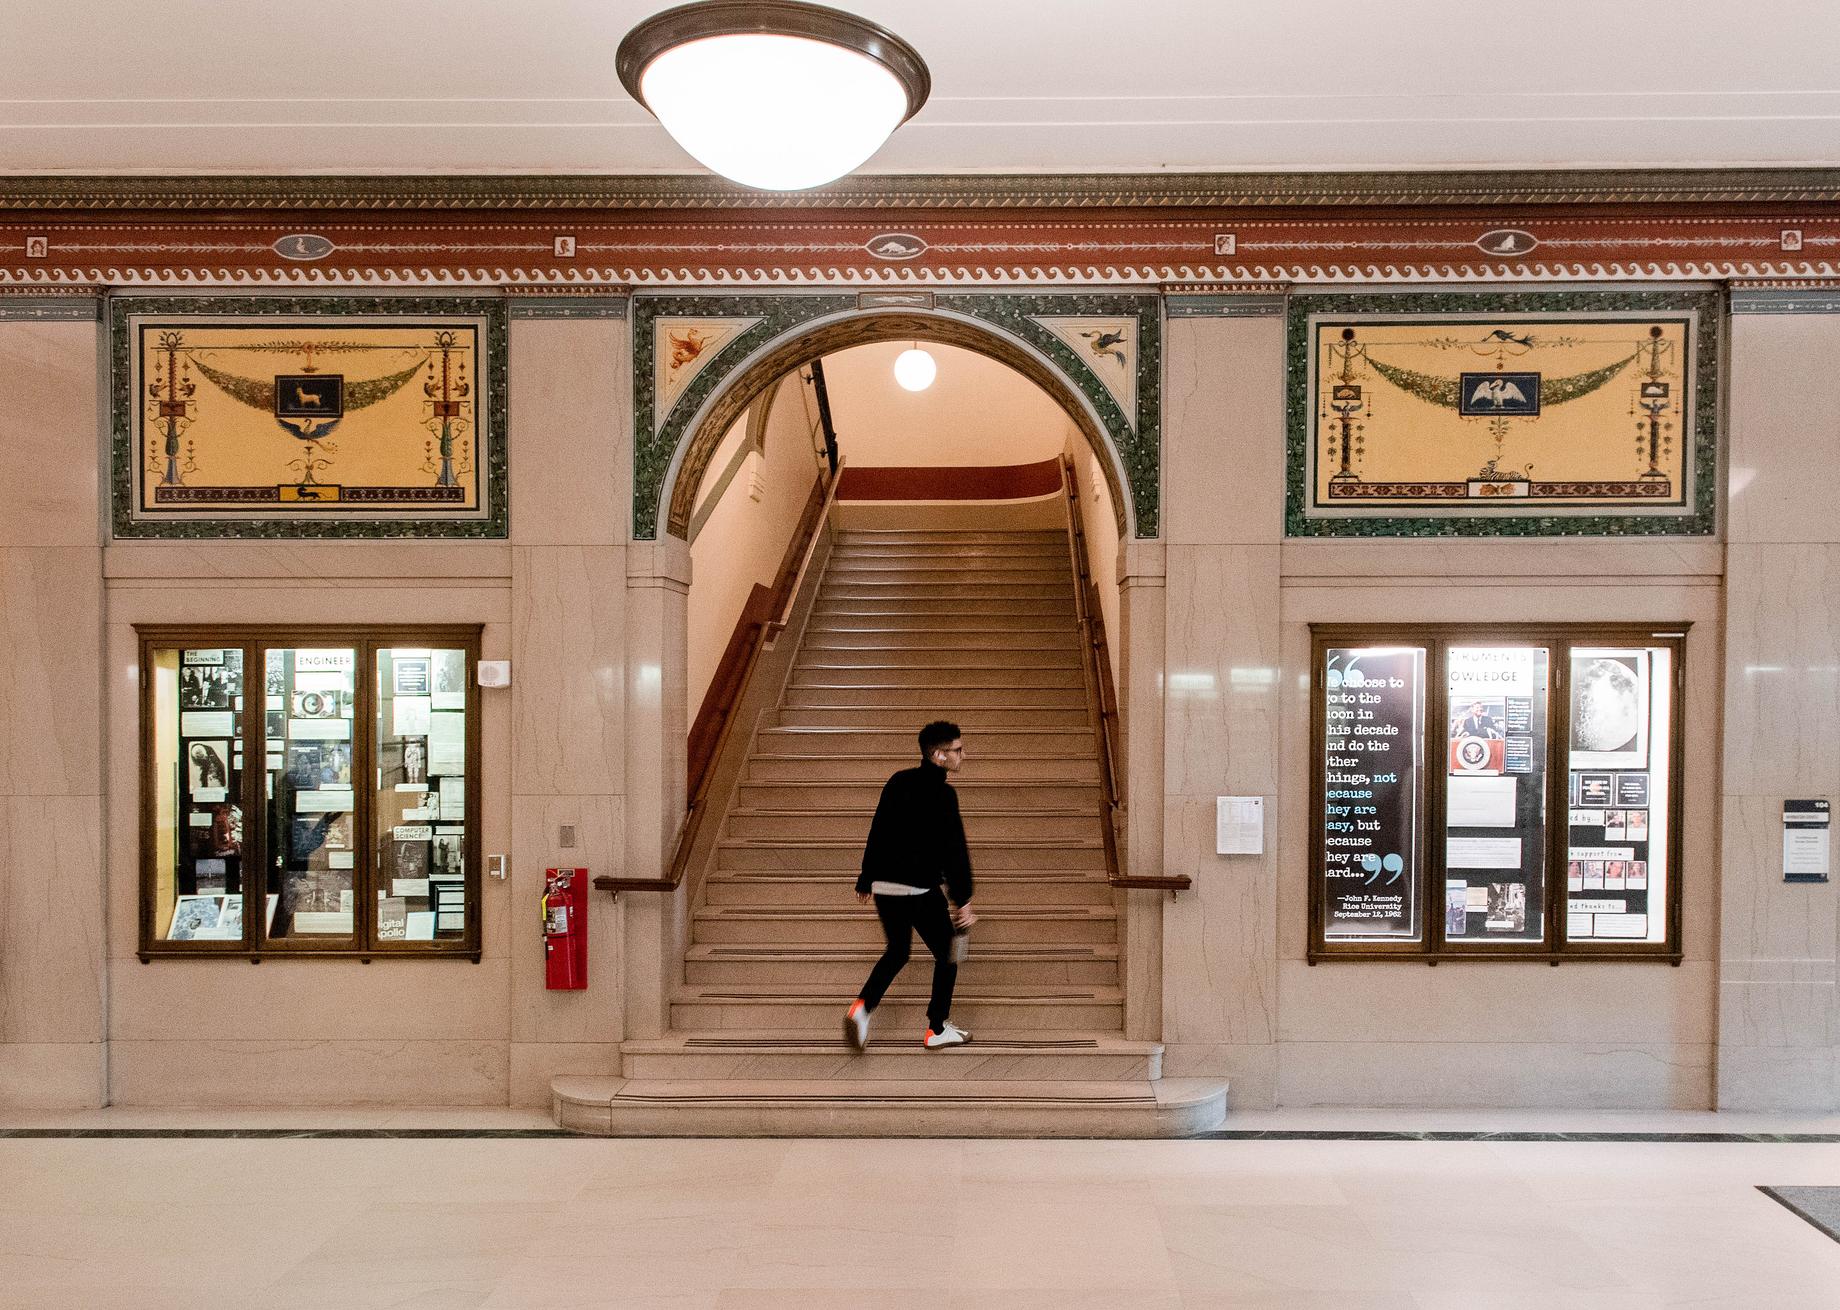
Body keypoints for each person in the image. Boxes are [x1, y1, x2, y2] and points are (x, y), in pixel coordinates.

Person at [843, 720, 977, 1051]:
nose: (964, 755)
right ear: (939, 755)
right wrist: (962, 900)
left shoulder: (897, 781)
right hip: (919, 890)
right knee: (949, 955)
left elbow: (878, 829)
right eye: (957, 750)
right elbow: (954, 849)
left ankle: (862, 1009)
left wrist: (866, 878)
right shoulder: (944, 795)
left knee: (898, 951)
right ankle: (936, 1028)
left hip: (886, 888)